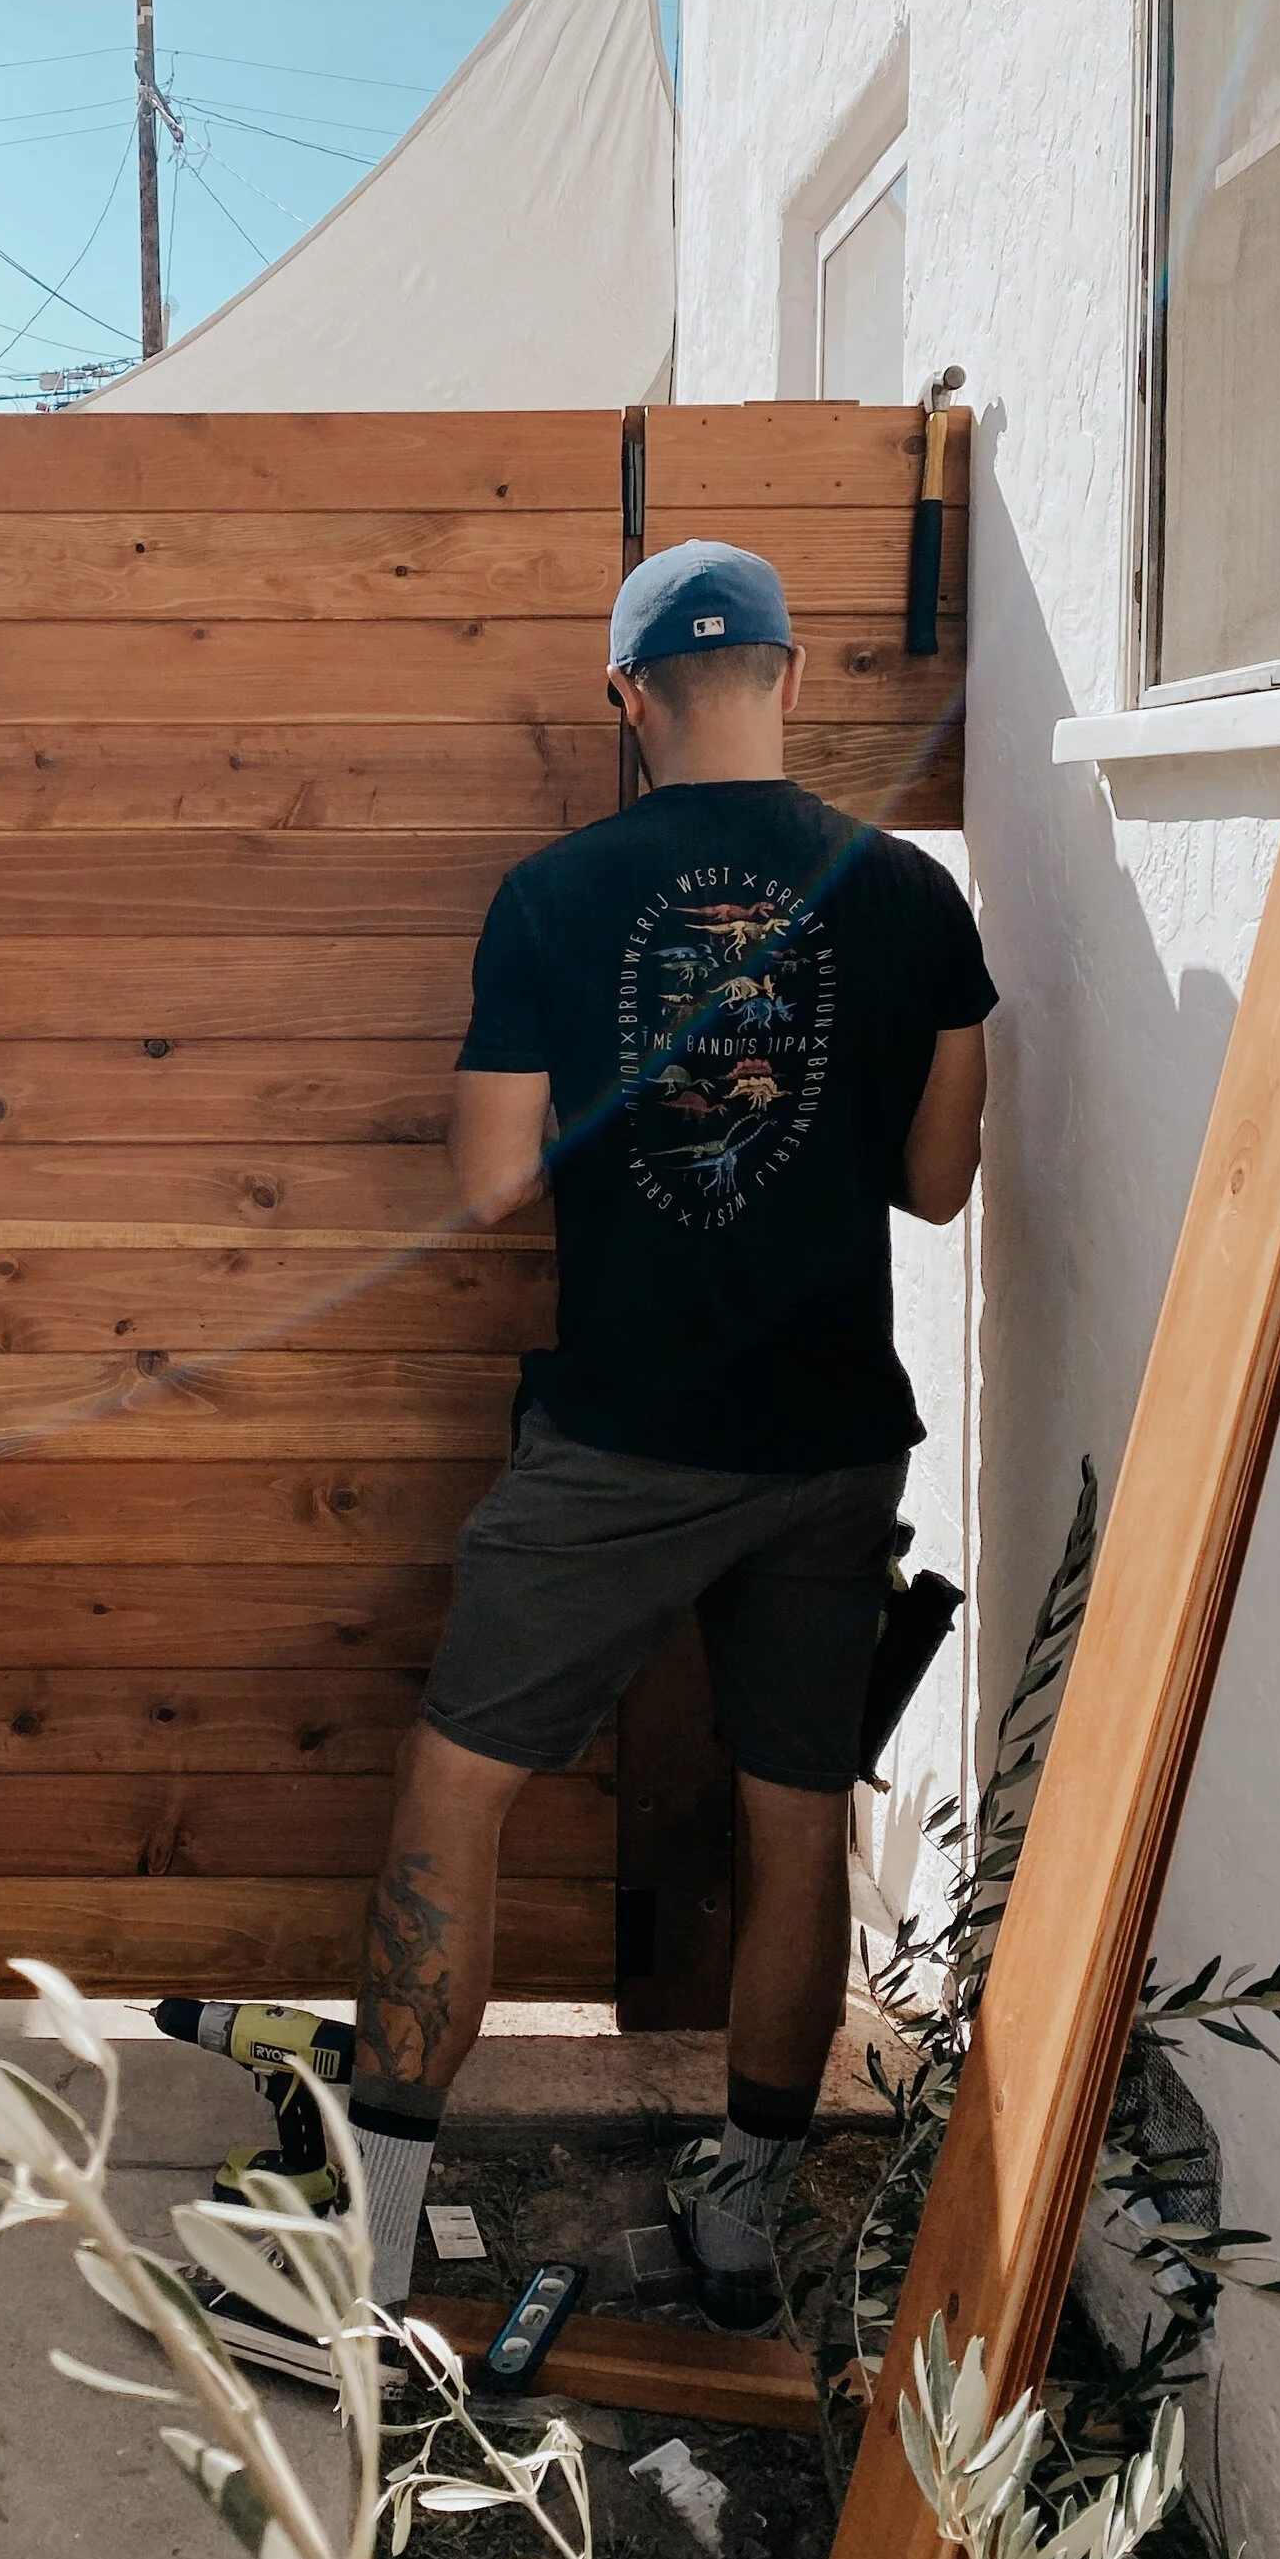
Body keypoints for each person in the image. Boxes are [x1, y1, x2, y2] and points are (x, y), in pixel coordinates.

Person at [313, 534, 997, 2354]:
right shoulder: (916, 903)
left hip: (618, 1443)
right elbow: (939, 1191)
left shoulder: (553, 894)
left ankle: (373, 2242)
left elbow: (485, 1187)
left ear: (626, 700)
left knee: (459, 1790)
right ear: (793, 673)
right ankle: (743, 2217)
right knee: (794, 1826)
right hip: (832, 1445)